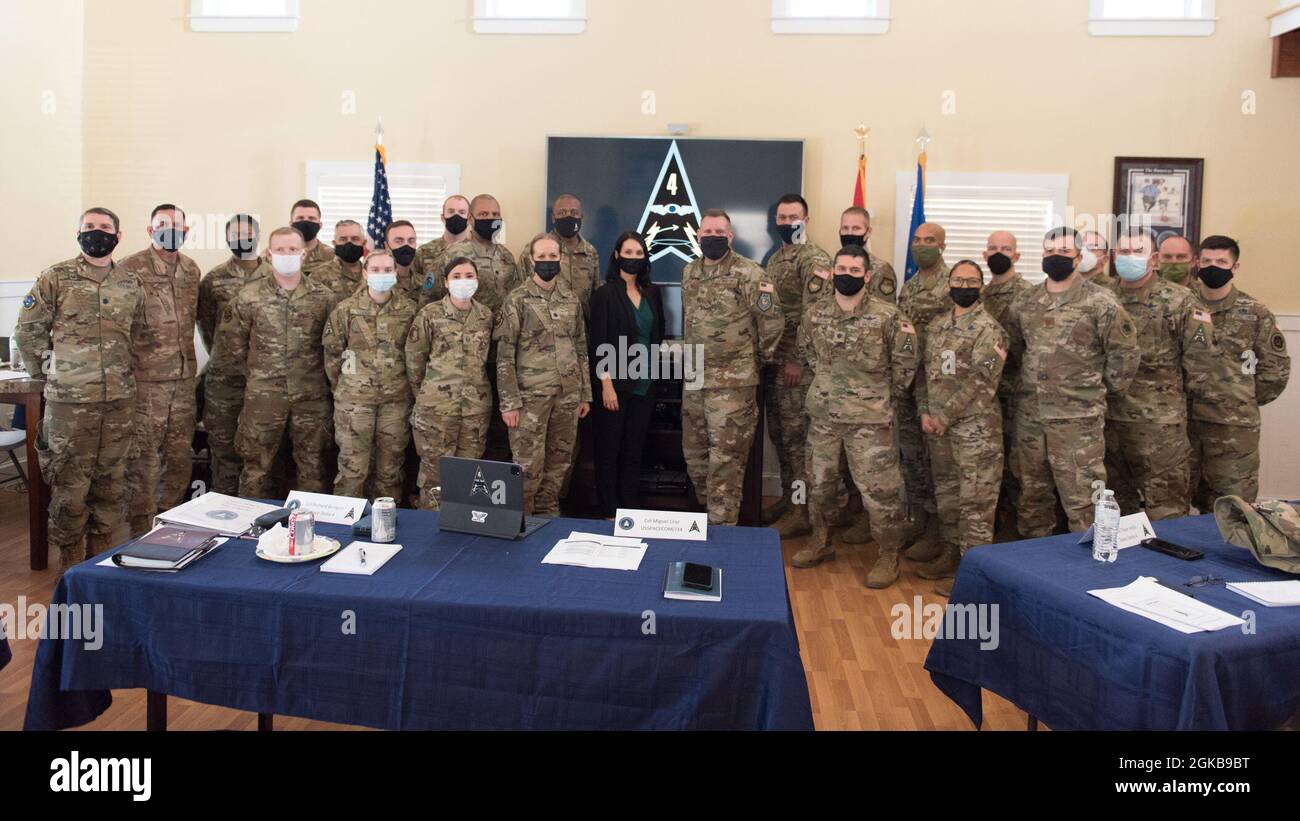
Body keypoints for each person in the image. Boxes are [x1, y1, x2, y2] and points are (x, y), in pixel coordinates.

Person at [15, 207, 145, 571]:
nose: (96, 233)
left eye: (104, 228)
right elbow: (28, 333)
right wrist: (51, 376)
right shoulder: (56, 277)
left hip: (119, 402)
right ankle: (69, 569)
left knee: (110, 486)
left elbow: (139, 335)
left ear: (118, 237)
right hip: (70, 406)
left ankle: (99, 565)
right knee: (70, 489)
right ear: (78, 233)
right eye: (89, 227)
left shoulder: (130, 283)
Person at [792, 245, 917, 588]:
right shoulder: (814, 314)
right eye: (841, 269)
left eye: (854, 270)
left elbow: (905, 369)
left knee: (880, 491)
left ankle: (888, 554)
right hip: (824, 416)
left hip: (870, 422)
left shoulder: (890, 317)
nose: (846, 275)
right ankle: (820, 541)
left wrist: (873, 397)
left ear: (868, 276)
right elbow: (808, 355)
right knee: (819, 483)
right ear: (831, 273)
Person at [1005, 227, 1139, 536]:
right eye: (1050, 252)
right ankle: (1035, 569)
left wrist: (1092, 392)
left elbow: (1125, 355)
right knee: (1031, 497)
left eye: (1064, 252)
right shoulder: (1026, 301)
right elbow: (1015, 351)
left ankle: (1089, 572)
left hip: (1078, 420)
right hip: (1032, 418)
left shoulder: (1101, 302)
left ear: (1079, 258)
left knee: (1084, 502)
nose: (1056, 258)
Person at [680, 209, 783, 526]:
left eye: (719, 232)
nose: (712, 237)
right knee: (695, 456)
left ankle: (723, 532)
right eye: (707, 232)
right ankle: (707, 516)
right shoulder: (690, 272)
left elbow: (772, 322)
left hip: (733, 386)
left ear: (730, 236)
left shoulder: (750, 274)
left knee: (726, 461)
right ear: (698, 236)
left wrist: (757, 360)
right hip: (695, 379)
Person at [1105, 227, 1214, 520]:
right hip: (1108, 423)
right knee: (1114, 511)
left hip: (1160, 428)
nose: (1129, 257)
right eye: (1123, 252)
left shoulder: (1181, 301)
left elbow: (1202, 363)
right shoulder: (1102, 298)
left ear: (1153, 258)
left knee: (1166, 512)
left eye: (1137, 252)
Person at [223, 226, 337, 497]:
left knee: (313, 469)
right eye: (280, 250)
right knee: (256, 468)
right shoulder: (248, 296)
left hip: (311, 397)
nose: (287, 254)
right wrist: (260, 377)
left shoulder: (324, 297)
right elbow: (234, 349)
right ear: (269, 254)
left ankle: (313, 531)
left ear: (304, 254)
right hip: (264, 398)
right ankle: (251, 530)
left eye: (293, 249)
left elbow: (332, 348)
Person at [917, 260, 1007, 594]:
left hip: (975, 432)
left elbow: (982, 382)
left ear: (981, 286)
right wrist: (926, 411)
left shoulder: (991, 329)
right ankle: (950, 555)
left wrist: (944, 416)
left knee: (976, 505)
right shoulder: (938, 326)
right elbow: (925, 374)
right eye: (958, 280)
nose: (964, 286)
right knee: (948, 496)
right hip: (939, 431)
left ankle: (974, 578)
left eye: (971, 281)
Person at [1188, 235, 1290, 509]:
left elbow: (1275, 371)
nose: (1213, 266)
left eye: (1221, 261)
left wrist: (1240, 399)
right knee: (1180, 501)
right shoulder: (1182, 305)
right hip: (1184, 422)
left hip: (1233, 428)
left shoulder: (1254, 312)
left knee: (1234, 504)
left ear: (1235, 267)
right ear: (1197, 263)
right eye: (1207, 261)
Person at [494, 235, 592, 516]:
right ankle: (521, 520)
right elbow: (504, 355)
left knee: (559, 464)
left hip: (567, 396)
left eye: (553, 257)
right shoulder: (517, 300)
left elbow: (580, 347)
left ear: (560, 259)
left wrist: (585, 393)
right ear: (531, 260)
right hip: (529, 399)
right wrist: (509, 402)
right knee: (527, 466)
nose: (548, 262)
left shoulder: (570, 299)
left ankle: (548, 519)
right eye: (542, 257)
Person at [120, 204, 202, 535]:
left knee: (180, 457)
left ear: (186, 231)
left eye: (177, 225)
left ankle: (171, 524)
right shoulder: (130, 268)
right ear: (150, 230)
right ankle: (140, 530)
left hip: (183, 381)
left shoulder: (191, 269)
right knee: (143, 460)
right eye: (162, 224)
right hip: (146, 381)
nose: (171, 230)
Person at [323, 249, 418, 500]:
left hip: (396, 403)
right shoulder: (346, 310)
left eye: (387, 270)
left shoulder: (410, 310)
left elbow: (417, 355)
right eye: (375, 270)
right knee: (352, 470)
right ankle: (346, 525)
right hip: (354, 404)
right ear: (365, 273)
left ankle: (386, 525)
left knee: (390, 470)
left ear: (396, 272)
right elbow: (333, 356)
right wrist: (345, 388)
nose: (382, 274)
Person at [761, 194, 831, 536]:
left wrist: (796, 360)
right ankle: (791, 501)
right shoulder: (775, 259)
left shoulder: (814, 258)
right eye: (782, 216)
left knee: (798, 443)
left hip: (796, 370)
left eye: (794, 217)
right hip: (775, 364)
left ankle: (803, 511)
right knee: (782, 439)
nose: (788, 222)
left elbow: (814, 317)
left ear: (807, 219)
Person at [405, 257, 494, 510]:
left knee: (469, 473)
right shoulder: (430, 315)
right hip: (436, 410)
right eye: (456, 276)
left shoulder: (486, 315)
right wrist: (426, 393)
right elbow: (414, 359)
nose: (463, 281)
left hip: (475, 409)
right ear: (445, 282)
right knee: (435, 475)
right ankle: (429, 528)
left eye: (469, 275)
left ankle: (462, 525)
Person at [589, 232, 665, 518]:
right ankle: (610, 512)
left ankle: (628, 514)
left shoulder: (652, 292)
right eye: (628, 252)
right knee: (609, 451)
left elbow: (658, 334)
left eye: (638, 253)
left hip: (645, 385)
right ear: (617, 255)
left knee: (634, 451)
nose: (633, 258)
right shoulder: (605, 294)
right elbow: (598, 343)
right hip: (614, 385)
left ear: (645, 258)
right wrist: (606, 385)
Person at [198, 214, 270, 494]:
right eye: (236, 234)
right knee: (224, 452)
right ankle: (223, 512)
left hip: (265, 382)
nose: (242, 239)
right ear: (227, 238)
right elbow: (207, 326)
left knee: (261, 455)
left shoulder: (275, 275)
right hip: (225, 381)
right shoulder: (214, 280)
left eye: (248, 233)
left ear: (258, 235)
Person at [896, 222, 950, 559]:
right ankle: (917, 520)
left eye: (929, 240)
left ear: (942, 246)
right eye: (917, 239)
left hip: (939, 385)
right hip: (910, 382)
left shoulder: (953, 283)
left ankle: (939, 533)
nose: (922, 245)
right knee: (912, 456)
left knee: (938, 463)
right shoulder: (911, 286)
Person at [981, 230, 1033, 541]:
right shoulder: (980, 293)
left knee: (1018, 469)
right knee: (989, 470)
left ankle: (1013, 531)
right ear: (985, 255)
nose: (999, 253)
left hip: (1015, 396)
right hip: (984, 398)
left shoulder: (1027, 295)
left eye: (1006, 248)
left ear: (1016, 255)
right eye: (993, 248)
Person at [518, 194, 601, 317]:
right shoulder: (534, 250)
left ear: (581, 217)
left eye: (574, 212)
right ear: (553, 218)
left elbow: (595, 295)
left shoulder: (590, 252)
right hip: (545, 329)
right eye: (562, 212)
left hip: (582, 330)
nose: (568, 216)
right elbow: (520, 294)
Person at [446, 194, 522, 314]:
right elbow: (430, 297)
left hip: (502, 328)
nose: (491, 219)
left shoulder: (506, 255)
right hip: (469, 328)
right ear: (470, 218)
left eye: (495, 214)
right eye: (484, 214)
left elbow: (514, 296)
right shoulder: (454, 254)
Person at [413, 194, 472, 306]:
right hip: (431, 318)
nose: (456, 216)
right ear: (442, 217)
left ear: (469, 219)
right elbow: (415, 291)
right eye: (451, 211)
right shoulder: (424, 252)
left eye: (461, 212)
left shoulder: (477, 253)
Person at [835, 206, 898, 302]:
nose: (849, 233)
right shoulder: (835, 266)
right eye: (845, 228)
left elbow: (885, 311)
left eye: (856, 228)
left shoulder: (882, 269)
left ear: (868, 232)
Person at [316, 219, 367, 307]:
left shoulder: (373, 274)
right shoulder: (319, 275)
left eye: (355, 239)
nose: (349, 243)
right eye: (343, 239)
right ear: (334, 244)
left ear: (364, 243)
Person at [290, 199, 335, 278]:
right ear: (291, 224)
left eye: (311, 218)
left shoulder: (333, 257)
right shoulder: (276, 255)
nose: (305, 222)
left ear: (320, 225)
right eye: (300, 218)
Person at [385, 220, 422, 299]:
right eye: (399, 241)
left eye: (411, 241)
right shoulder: (380, 284)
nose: (406, 245)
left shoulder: (425, 283)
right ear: (387, 246)